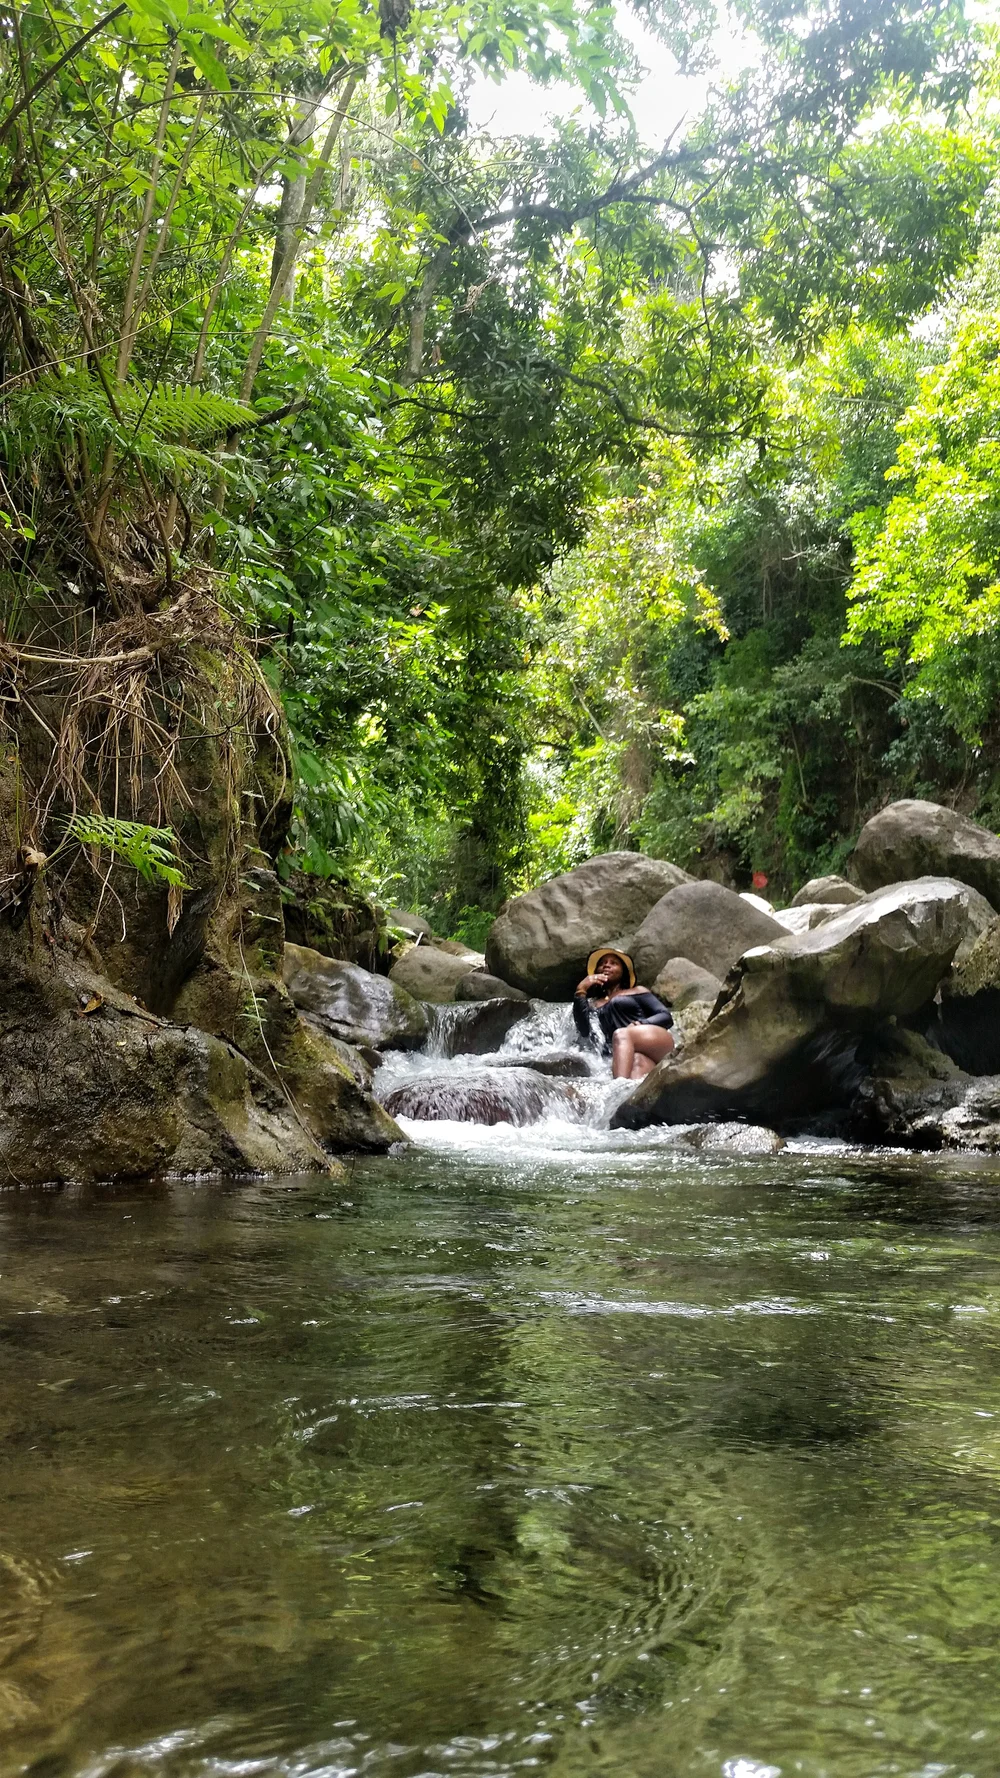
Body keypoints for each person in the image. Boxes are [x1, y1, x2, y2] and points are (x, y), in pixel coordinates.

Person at [572, 948, 675, 1081]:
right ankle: (625, 1096)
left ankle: (616, 1087)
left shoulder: (637, 991)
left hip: (653, 1040)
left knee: (621, 1034)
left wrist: (639, 1024)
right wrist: (581, 990)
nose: (606, 965)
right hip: (627, 1054)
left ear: (624, 972)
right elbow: (584, 1031)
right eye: (602, 963)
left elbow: (665, 1016)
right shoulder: (593, 1005)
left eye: (613, 963)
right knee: (638, 1063)